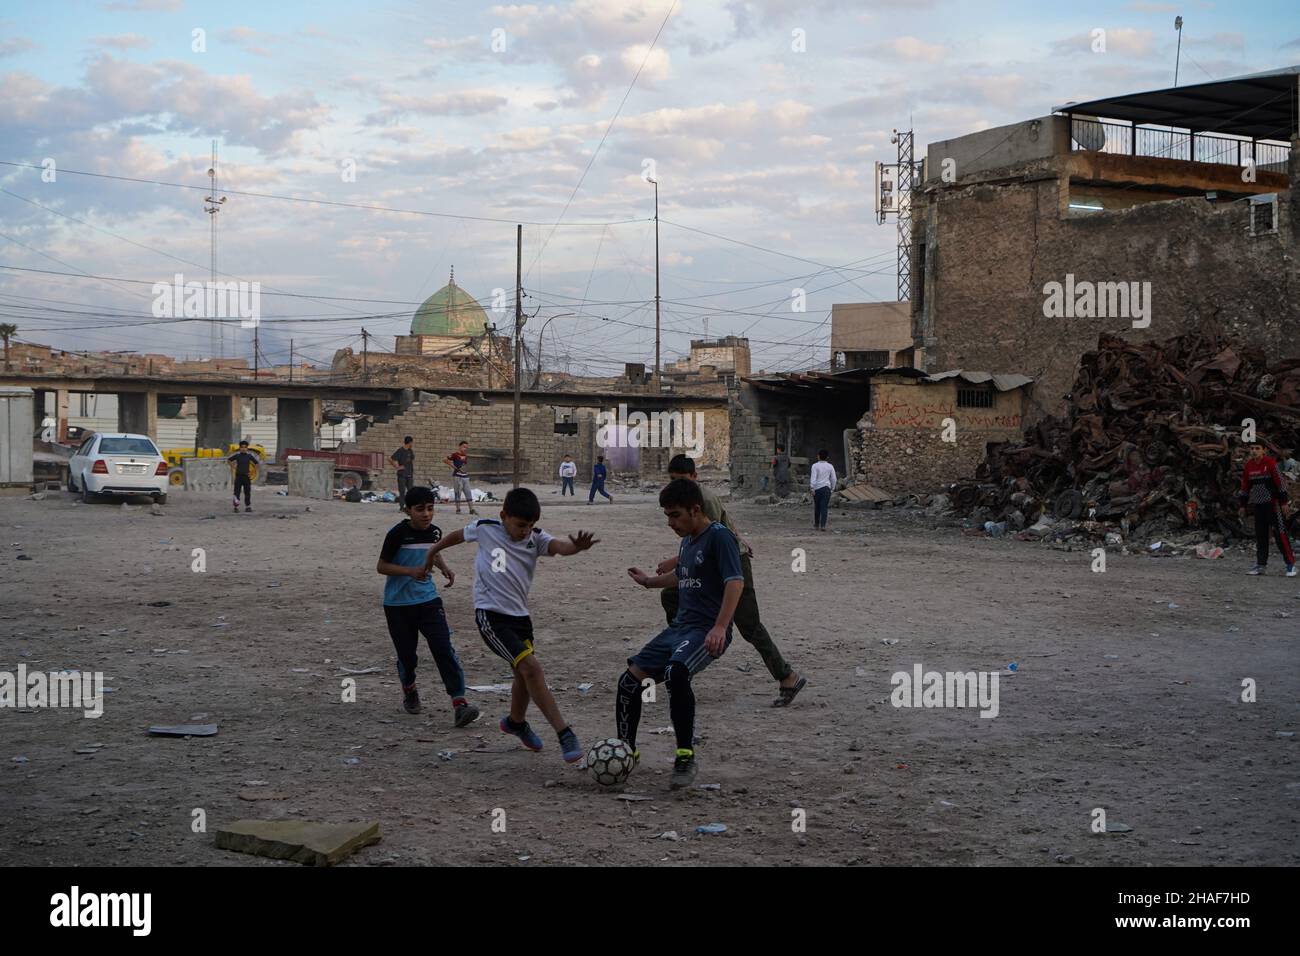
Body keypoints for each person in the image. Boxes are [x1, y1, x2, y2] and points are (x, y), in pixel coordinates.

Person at [422, 487, 597, 763]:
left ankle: (516, 722)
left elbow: (560, 547)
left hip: (520, 619)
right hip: (491, 616)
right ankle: (564, 732)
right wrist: (432, 552)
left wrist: (577, 547)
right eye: (520, 525)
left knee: (522, 675)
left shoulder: (536, 539)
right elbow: (457, 536)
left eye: (530, 525)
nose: (525, 531)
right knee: (531, 669)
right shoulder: (485, 528)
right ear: (503, 516)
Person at [622, 479, 744, 789]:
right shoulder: (688, 540)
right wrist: (650, 581)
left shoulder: (720, 537)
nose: (670, 522)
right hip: (678, 628)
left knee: (676, 673)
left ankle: (685, 755)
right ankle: (625, 752)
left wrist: (720, 626)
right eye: (667, 515)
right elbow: (684, 574)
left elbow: (735, 582)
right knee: (629, 681)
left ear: (696, 510)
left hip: (705, 630)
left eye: (675, 515)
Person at [658, 454, 806, 707]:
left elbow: (714, 535)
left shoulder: (703, 499)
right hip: (708, 563)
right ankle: (684, 654)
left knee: (749, 625)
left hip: (730, 562)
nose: (676, 485)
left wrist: (677, 561)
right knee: (671, 596)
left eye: (681, 480)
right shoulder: (681, 500)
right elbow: (718, 528)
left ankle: (787, 676)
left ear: (694, 477)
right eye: (672, 480)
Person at [376, 486, 480, 726]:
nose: (426, 514)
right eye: (420, 509)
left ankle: (459, 702)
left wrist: (444, 567)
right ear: (407, 510)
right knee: (407, 657)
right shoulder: (397, 534)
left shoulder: (434, 533)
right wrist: (410, 572)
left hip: (428, 601)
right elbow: (381, 566)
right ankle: (409, 688)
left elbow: (433, 551)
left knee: (443, 649)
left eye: (430, 509)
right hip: (398, 605)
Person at [1238, 440, 1296, 576]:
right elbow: (1245, 488)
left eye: (1257, 448)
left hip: (1273, 505)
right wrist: (1242, 506)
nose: (1254, 451)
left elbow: (1281, 484)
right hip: (1258, 506)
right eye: (1252, 448)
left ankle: (1290, 565)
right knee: (1261, 535)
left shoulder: (1270, 464)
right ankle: (1261, 565)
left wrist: (1284, 503)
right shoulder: (1249, 466)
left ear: (1264, 450)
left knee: (1280, 533)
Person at [443, 441, 477, 516]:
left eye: (466, 447)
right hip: (457, 476)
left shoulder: (465, 456)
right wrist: (454, 467)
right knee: (458, 492)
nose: (465, 449)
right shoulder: (455, 455)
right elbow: (445, 459)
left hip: (465, 476)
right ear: (460, 446)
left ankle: (471, 509)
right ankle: (458, 509)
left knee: (468, 492)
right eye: (464, 447)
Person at [227, 439, 257, 513]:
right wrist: (233, 466)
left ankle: (248, 506)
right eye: (242, 447)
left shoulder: (249, 456)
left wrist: (252, 472)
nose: (243, 448)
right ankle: (236, 507)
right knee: (236, 492)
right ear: (240, 448)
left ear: (247, 448)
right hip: (238, 477)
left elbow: (256, 463)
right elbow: (229, 460)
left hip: (246, 477)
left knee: (247, 492)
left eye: (245, 447)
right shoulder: (237, 456)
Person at [811, 449, 836, 531]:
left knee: (817, 507)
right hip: (826, 489)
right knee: (824, 507)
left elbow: (813, 478)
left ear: (818, 456)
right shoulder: (830, 466)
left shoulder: (815, 466)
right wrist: (832, 488)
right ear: (827, 457)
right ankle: (823, 525)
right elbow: (833, 479)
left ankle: (816, 524)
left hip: (817, 489)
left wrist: (812, 488)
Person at [390, 436, 415, 511]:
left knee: (411, 491)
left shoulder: (410, 451)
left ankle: (410, 507)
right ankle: (401, 507)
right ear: (410, 442)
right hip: (402, 475)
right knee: (402, 491)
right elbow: (391, 459)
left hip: (409, 474)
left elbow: (412, 459)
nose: (412, 444)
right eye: (412, 442)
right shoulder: (400, 450)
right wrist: (397, 467)